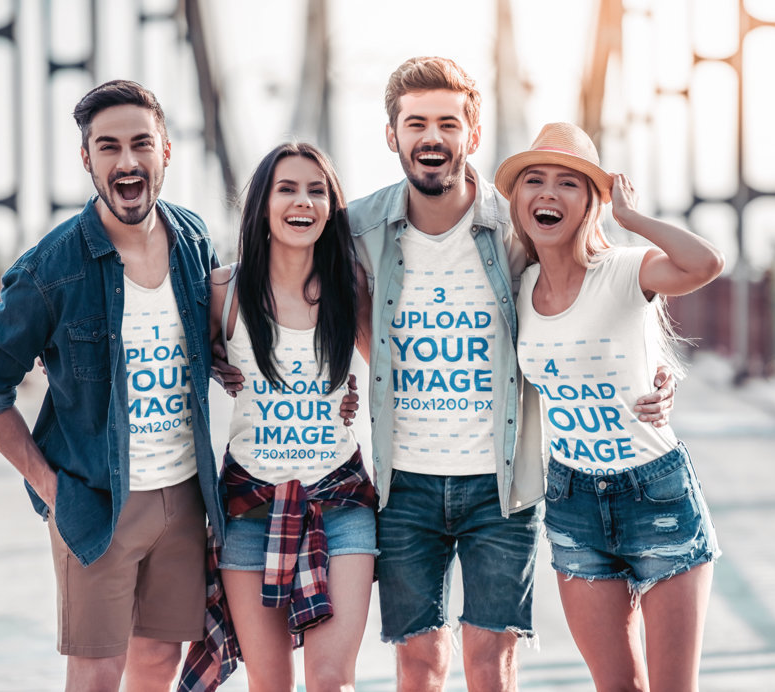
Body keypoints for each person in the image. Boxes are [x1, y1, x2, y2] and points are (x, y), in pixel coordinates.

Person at [345, 57, 677, 692]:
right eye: (416, 123)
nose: (432, 137)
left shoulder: (517, 226)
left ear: (473, 133)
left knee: (489, 666)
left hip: (501, 485)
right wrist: (225, 351)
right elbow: (279, 278)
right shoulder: (358, 228)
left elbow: (597, 287)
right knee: (417, 664)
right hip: (404, 485)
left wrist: (655, 370)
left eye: (448, 121)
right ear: (393, 135)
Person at [0, 80, 225, 691]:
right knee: (98, 673)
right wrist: (50, 488)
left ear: (165, 152)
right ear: (87, 159)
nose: (127, 162)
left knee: (157, 665)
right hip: (97, 500)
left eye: (141, 144)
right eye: (109, 147)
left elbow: (208, 335)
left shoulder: (192, 241)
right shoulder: (51, 268)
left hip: (183, 496)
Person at [495, 121, 723, 690]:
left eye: (569, 183)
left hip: (656, 492)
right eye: (535, 181)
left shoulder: (623, 271)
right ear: (519, 200)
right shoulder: (516, 289)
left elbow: (705, 264)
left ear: (592, 202)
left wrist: (635, 221)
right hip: (572, 500)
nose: (548, 193)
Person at [180, 142, 376, 692]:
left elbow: (393, 371)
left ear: (332, 206)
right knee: (269, 683)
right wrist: (217, 367)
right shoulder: (224, 292)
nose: (303, 201)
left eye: (317, 190)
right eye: (287, 188)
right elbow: (172, 365)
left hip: (340, 501)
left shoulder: (351, 288)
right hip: (250, 506)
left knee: (332, 680)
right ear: (262, 204)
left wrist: (352, 392)